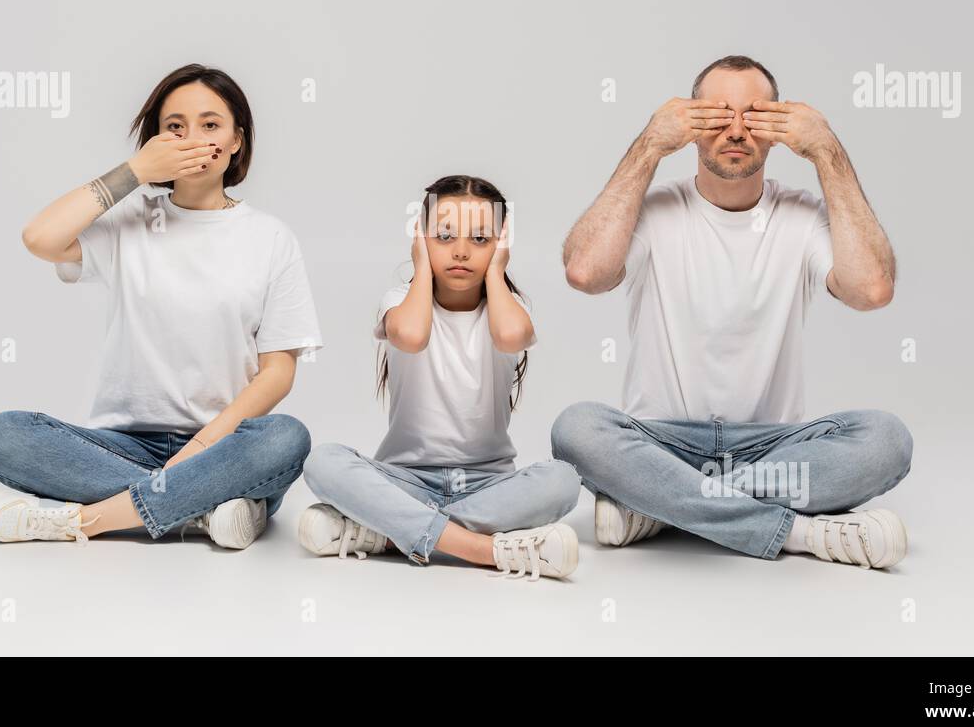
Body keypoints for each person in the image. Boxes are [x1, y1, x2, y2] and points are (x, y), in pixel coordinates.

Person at [553, 55, 912, 569]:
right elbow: (584, 272)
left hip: (772, 448)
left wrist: (827, 150)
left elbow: (872, 289)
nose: (737, 130)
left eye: (755, 116)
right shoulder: (652, 210)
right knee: (577, 429)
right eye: (718, 116)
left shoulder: (802, 215)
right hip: (661, 440)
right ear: (690, 125)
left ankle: (661, 505)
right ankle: (800, 534)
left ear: (778, 130)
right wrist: (650, 144)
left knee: (887, 440)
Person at [0, 64, 321, 549]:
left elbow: (278, 373)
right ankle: (199, 512)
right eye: (174, 127)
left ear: (237, 140)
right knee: (4, 436)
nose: (192, 139)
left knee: (285, 439)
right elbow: (40, 237)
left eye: (210, 125)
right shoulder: (129, 224)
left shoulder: (271, 238)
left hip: (226, 445)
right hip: (123, 442)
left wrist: (201, 451)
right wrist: (134, 173)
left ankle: (89, 520)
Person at [298, 176, 581, 581]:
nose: (461, 252)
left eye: (481, 240)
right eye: (444, 236)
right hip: (405, 480)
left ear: (500, 245)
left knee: (563, 480)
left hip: (488, 485)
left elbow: (511, 337)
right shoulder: (399, 300)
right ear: (421, 238)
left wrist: (498, 274)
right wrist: (421, 267)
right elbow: (411, 337)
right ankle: (486, 549)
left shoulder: (508, 307)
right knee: (323, 461)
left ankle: (386, 533)